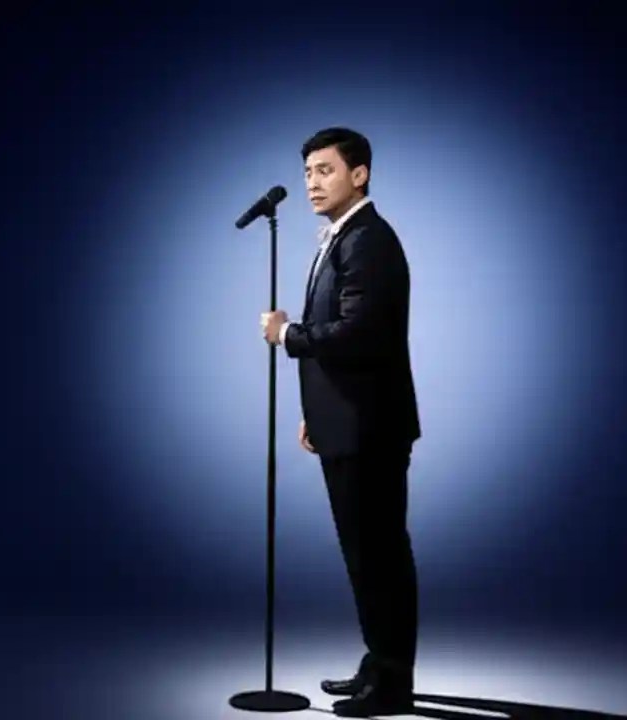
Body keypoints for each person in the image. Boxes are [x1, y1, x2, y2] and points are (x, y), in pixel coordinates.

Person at [259, 126, 421, 717]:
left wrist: (287, 336)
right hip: (345, 422)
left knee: (378, 551)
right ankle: (378, 662)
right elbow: (346, 337)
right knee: (362, 551)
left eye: (325, 170)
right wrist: (314, 413)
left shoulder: (368, 240)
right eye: (306, 172)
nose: (311, 182)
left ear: (361, 174)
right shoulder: (340, 237)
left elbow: (359, 333)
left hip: (371, 427)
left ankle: (394, 682)